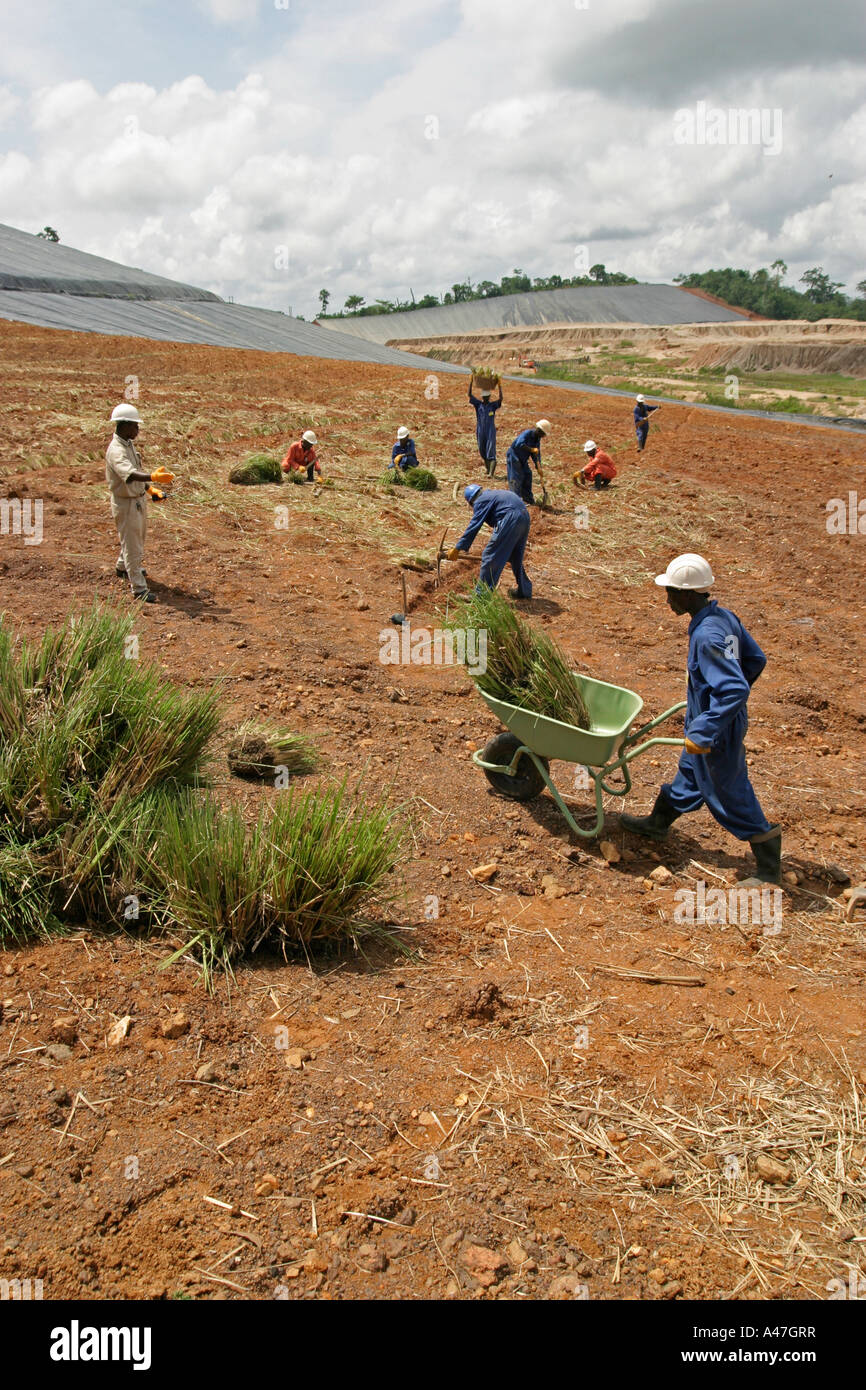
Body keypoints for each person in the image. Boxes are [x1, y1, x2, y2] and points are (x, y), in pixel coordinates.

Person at [620, 553, 781, 886]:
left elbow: (734, 688)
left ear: (688, 594)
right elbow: (755, 660)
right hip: (712, 720)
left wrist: (709, 722)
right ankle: (657, 823)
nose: (667, 599)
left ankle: (768, 869)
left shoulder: (707, 636)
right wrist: (715, 702)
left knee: (728, 790)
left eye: (672, 592)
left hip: (716, 730)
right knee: (690, 774)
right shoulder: (723, 617)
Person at [105, 404, 174, 604]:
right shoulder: (116, 450)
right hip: (125, 503)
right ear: (124, 425)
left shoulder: (127, 444)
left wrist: (151, 490)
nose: (138, 430)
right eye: (135, 425)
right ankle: (139, 588)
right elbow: (130, 474)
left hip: (136, 499)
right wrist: (153, 477)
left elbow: (136, 471)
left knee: (136, 538)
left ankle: (122, 567)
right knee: (132, 544)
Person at [444, 484, 532, 599]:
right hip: (524, 516)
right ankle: (524, 591)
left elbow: (474, 526)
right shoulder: (490, 495)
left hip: (511, 518)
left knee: (489, 555)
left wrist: (458, 548)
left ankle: (481, 595)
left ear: (471, 502)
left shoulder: (480, 501)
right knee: (515, 556)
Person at [506, 420, 550, 505]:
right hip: (514, 456)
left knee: (528, 475)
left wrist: (539, 467)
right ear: (539, 431)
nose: (543, 436)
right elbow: (519, 444)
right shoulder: (527, 434)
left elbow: (536, 454)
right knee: (516, 478)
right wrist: (531, 449)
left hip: (523, 459)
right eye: (543, 434)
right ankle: (516, 501)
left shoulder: (537, 440)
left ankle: (528, 499)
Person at [468, 374, 503, 476]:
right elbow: (469, 395)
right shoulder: (478, 405)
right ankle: (488, 470)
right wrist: (470, 382)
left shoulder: (493, 406)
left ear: (489, 397)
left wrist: (500, 386)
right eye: (485, 397)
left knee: (490, 450)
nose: (486, 398)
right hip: (480, 430)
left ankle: (491, 473)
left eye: (487, 397)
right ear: (483, 397)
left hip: (490, 430)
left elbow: (501, 399)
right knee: (482, 450)